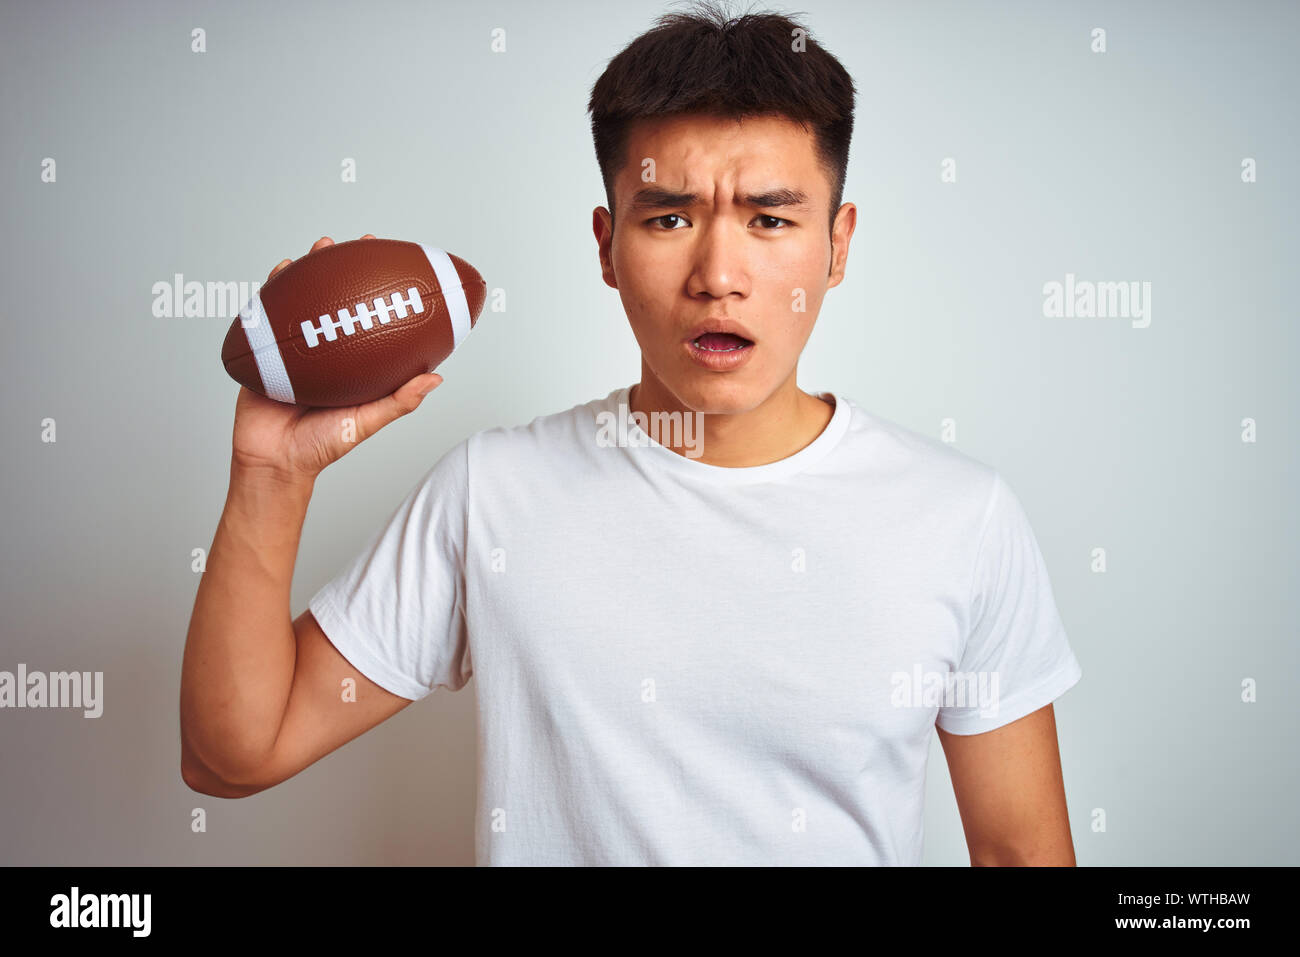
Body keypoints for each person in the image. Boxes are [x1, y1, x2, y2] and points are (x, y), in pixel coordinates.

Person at [181, 1, 1082, 866]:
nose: (718, 274)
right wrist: (270, 473)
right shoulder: (493, 493)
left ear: (837, 246)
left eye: (770, 219)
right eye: (669, 218)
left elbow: (1019, 853)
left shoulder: (960, 519)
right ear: (607, 246)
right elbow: (232, 755)